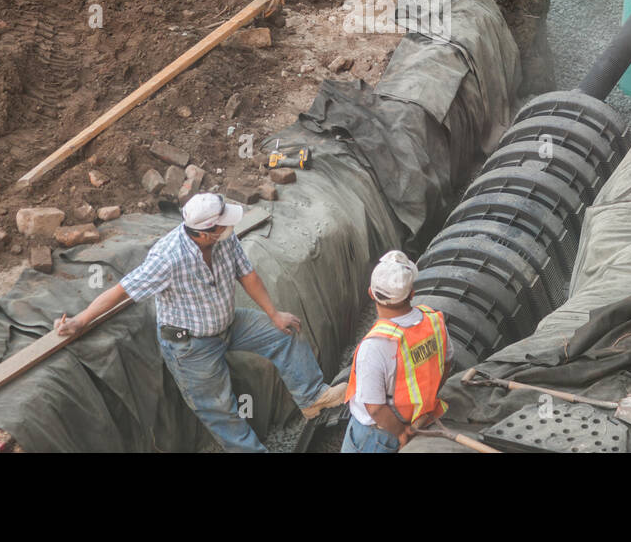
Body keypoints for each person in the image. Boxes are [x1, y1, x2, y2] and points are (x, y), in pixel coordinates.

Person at [55, 192, 346, 452]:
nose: (230, 226)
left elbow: (247, 275)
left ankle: (312, 398)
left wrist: (274, 314)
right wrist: (80, 321)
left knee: (283, 333)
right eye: (224, 223)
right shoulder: (168, 258)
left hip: (228, 324)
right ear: (205, 232)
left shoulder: (225, 237)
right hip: (190, 346)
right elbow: (123, 290)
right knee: (220, 409)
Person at [341, 251, 451, 453]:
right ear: (411, 293)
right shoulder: (434, 320)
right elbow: (446, 364)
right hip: (420, 417)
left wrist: (401, 432)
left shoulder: (375, 346)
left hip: (378, 435)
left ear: (371, 294)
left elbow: (374, 407)